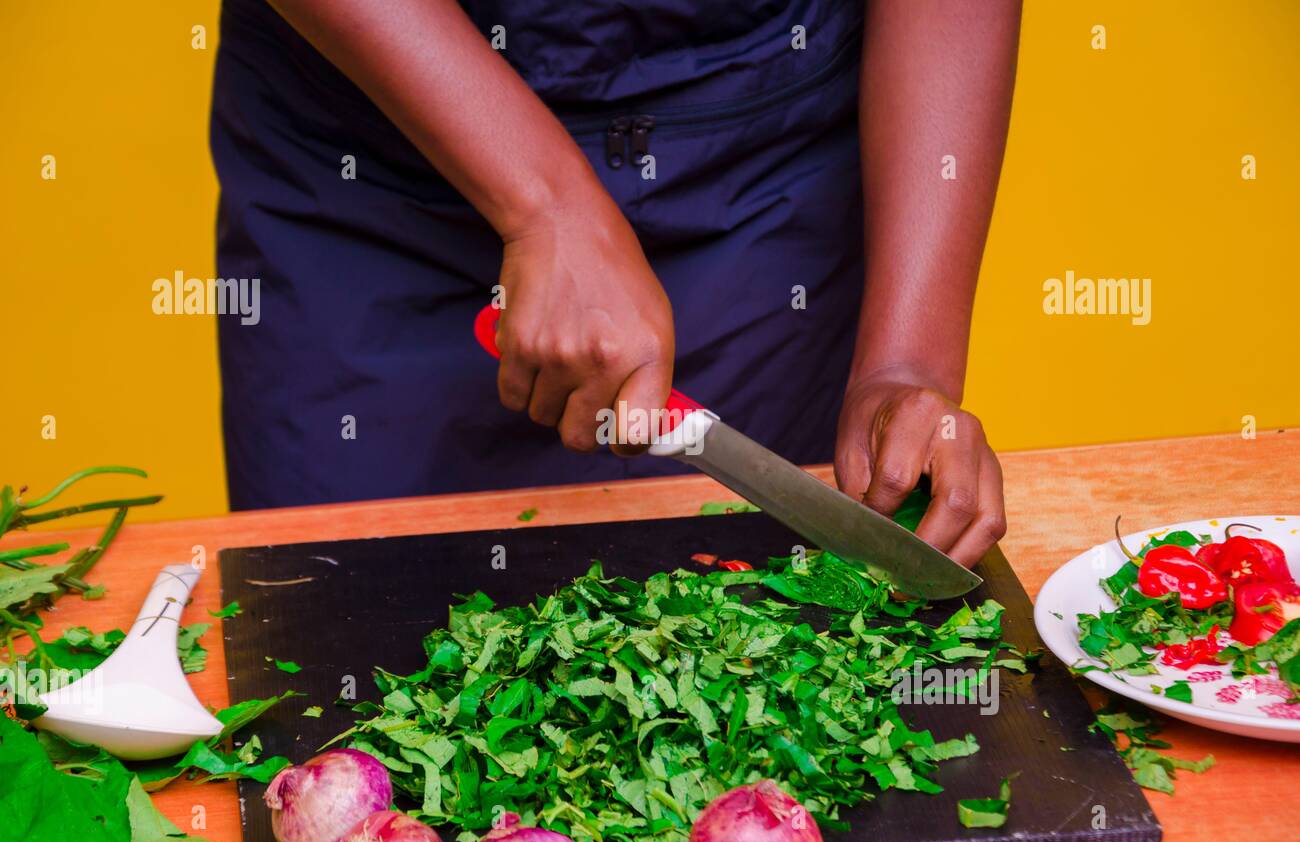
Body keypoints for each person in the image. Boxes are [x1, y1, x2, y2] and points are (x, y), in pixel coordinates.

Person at [211, 0, 1020, 567]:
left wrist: (904, 363)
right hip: (374, 171)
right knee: (343, 656)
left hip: (762, 159)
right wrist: (544, 204)